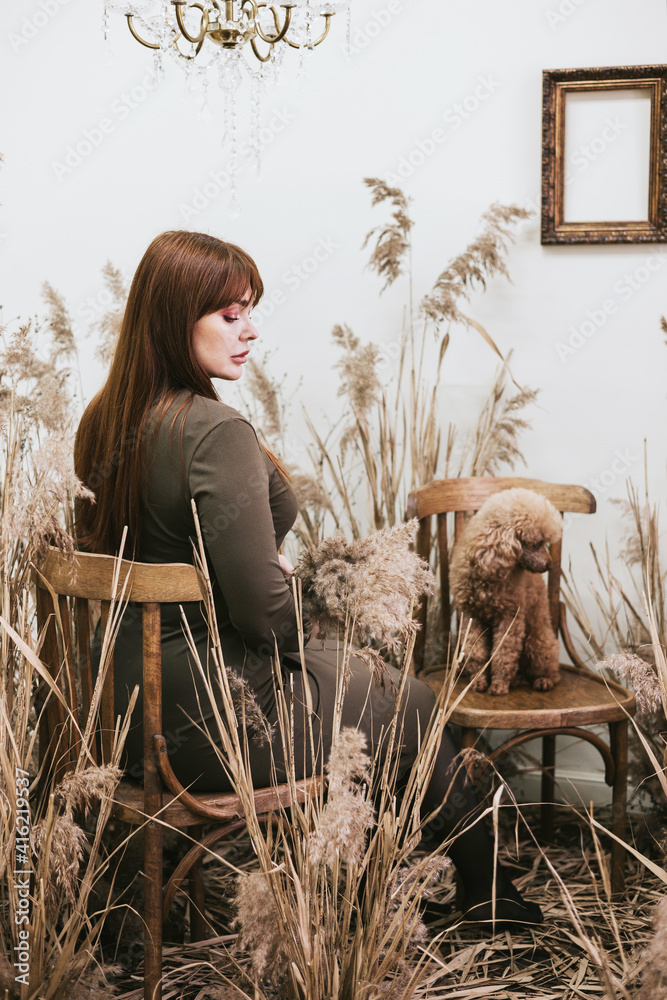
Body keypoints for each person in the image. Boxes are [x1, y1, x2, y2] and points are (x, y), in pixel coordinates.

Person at [74, 229, 543, 927]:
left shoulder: (103, 420)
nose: (250, 331)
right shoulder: (212, 432)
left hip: (122, 708)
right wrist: (280, 581)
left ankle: (381, 878)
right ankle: (480, 896)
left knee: (370, 685)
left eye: (249, 312)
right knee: (408, 697)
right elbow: (265, 614)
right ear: (175, 319)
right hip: (214, 716)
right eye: (229, 315)